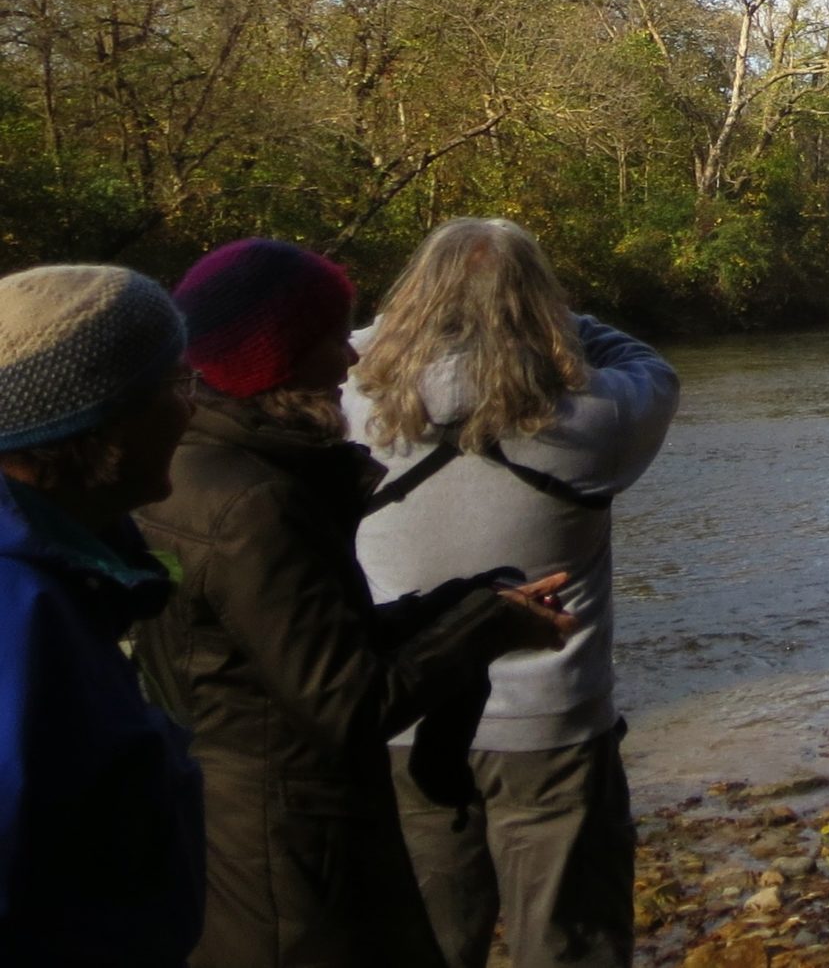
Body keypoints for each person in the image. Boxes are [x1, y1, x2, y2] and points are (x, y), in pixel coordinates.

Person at [134, 239, 577, 968]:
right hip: (294, 854)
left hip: (223, 824)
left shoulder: (185, 465)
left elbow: (290, 648)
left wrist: (461, 603)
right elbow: (349, 703)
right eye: (328, 338)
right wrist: (492, 623)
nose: (350, 358)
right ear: (272, 358)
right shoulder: (259, 503)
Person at [348, 219, 678, 968]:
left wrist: (399, 328)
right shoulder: (593, 420)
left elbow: (361, 345)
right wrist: (560, 325)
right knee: (569, 944)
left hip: (402, 716)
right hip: (553, 726)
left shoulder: (354, 410)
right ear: (540, 303)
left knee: (422, 945)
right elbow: (651, 366)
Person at [0, 264, 204, 966]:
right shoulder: (18, 615)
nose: (193, 408)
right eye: (176, 384)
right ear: (100, 419)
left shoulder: (70, 576)